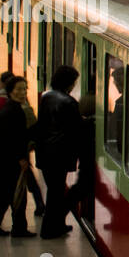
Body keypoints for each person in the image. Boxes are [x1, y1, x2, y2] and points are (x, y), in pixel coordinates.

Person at [36, 66, 83, 239]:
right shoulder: (69, 103)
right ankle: (49, 230)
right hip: (60, 155)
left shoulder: (46, 96)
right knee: (55, 193)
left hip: (45, 153)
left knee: (54, 190)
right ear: (69, 83)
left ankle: (58, 225)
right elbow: (75, 129)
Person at [0, 75, 33, 238]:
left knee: (7, 194)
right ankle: (11, 228)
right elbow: (12, 138)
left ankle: (11, 227)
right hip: (10, 161)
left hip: (4, 160)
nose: (23, 92)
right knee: (10, 195)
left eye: (25, 89)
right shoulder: (14, 111)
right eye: (19, 89)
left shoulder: (10, 108)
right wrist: (21, 158)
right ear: (10, 91)